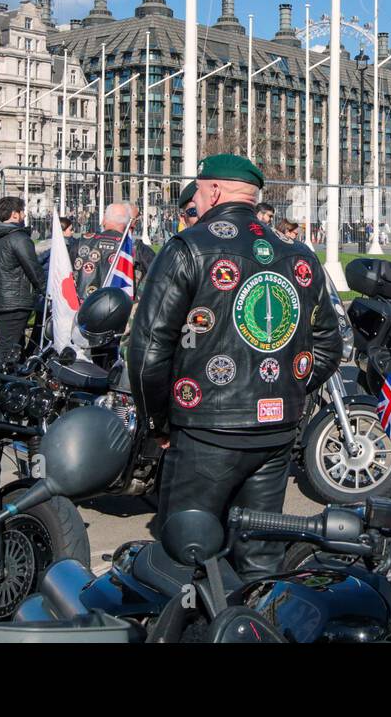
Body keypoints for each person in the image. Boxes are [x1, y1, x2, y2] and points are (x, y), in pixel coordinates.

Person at [128, 154, 343, 575]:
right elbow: (329, 347)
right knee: (260, 561)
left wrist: (159, 423)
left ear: (214, 190)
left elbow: (148, 351)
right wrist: (286, 388)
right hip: (277, 432)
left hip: (206, 428)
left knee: (187, 556)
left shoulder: (189, 247)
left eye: (199, 194)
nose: (196, 204)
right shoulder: (296, 254)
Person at [0, 196, 44, 364]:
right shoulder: (20, 238)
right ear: (15, 214)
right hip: (15, 302)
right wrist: (47, 290)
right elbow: (33, 269)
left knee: (15, 346)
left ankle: (14, 379)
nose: (25, 215)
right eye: (22, 212)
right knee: (4, 347)